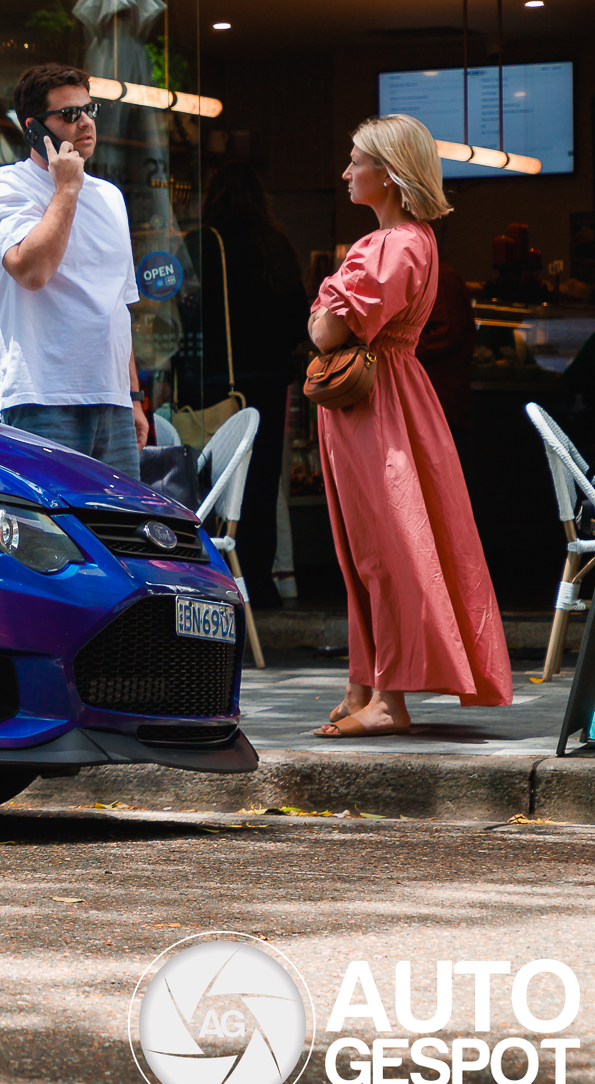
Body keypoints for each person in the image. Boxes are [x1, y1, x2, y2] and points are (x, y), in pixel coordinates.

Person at [309, 114, 511, 737]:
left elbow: (327, 331)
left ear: (389, 175)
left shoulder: (388, 245)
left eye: (355, 161)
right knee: (378, 546)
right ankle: (363, 686)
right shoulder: (416, 241)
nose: (345, 172)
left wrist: (325, 293)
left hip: (378, 403)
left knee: (384, 547)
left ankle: (389, 702)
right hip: (393, 395)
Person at [0, 63, 148, 477]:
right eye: (70, 115)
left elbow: (117, 305)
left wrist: (135, 397)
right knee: (52, 537)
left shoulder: (110, 198)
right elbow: (32, 271)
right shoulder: (6, 188)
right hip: (43, 398)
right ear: (34, 128)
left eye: (90, 110)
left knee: (118, 534)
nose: (85, 122)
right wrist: (66, 188)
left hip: (113, 400)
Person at [187, 163, 308, 601]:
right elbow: (299, 320)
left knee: (211, 483)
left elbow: (186, 319)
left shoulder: (203, 245)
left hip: (215, 384)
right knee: (260, 483)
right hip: (271, 384)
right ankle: (257, 577)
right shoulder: (275, 245)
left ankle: (212, 580)